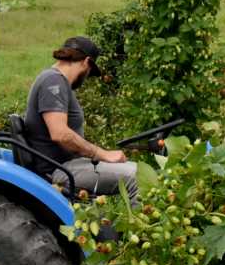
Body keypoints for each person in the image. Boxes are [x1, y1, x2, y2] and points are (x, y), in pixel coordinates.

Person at [18, 35, 137, 201]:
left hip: (69, 166)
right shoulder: (53, 81)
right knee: (140, 178)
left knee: (138, 169)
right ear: (86, 62)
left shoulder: (55, 81)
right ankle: (139, 227)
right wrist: (102, 154)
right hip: (60, 171)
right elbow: (60, 134)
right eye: (89, 72)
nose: (87, 77)